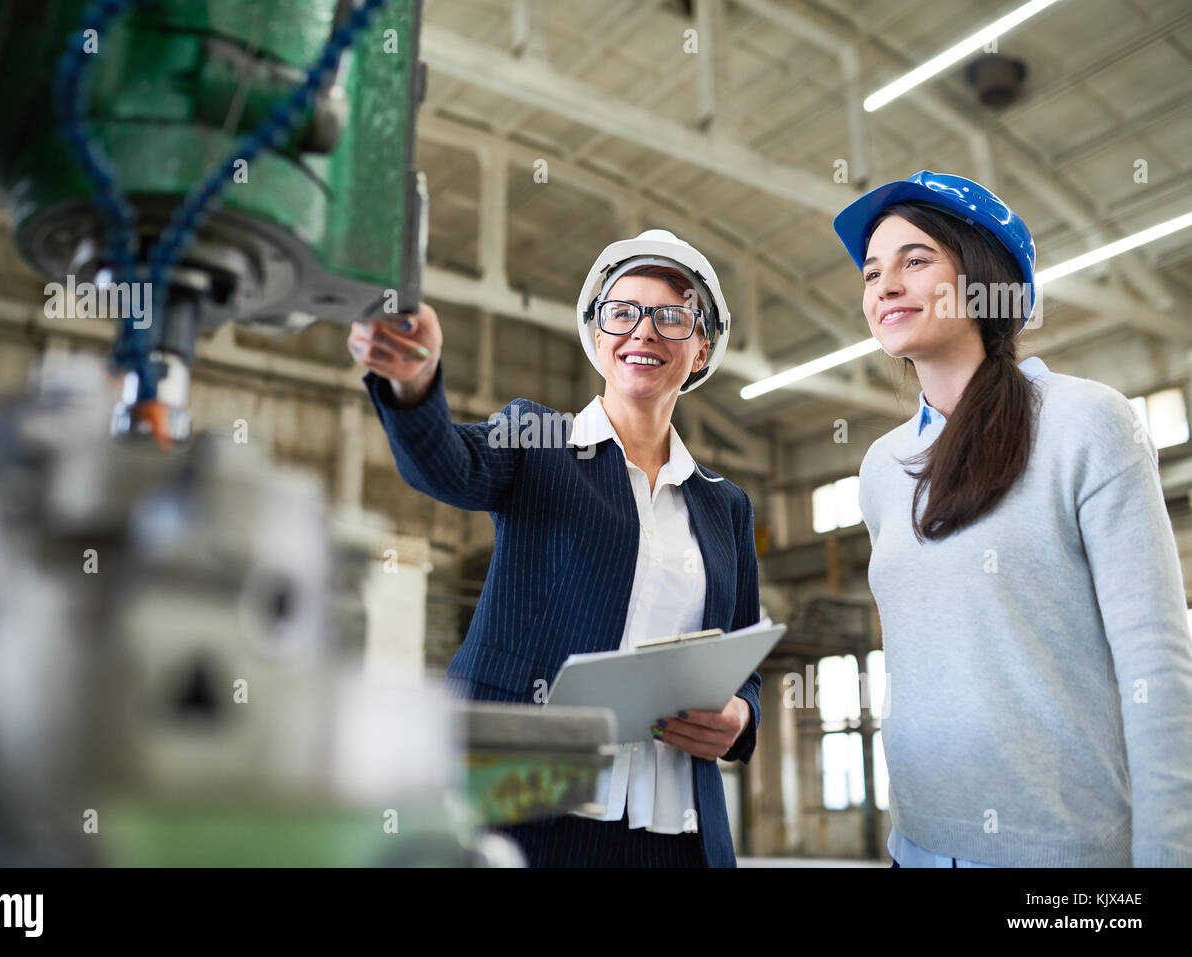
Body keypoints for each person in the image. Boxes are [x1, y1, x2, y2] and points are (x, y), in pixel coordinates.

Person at [348, 229, 763, 867]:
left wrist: (741, 716)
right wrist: (415, 384)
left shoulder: (724, 506)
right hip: (527, 802)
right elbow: (447, 466)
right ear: (597, 334)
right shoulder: (538, 441)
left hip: (675, 825)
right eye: (622, 313)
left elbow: (743, 659)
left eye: (672, 317)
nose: (643, 332)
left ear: (702, 344)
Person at [834, 170, 1192, 867]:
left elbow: (1157, 661)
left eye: (916, 259)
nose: (884, 284)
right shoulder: (881, 467)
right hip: (915, 847)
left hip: (1062, 857)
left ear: (981, 277)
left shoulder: (1087, 422)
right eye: (873, 270)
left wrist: (1169, 857)